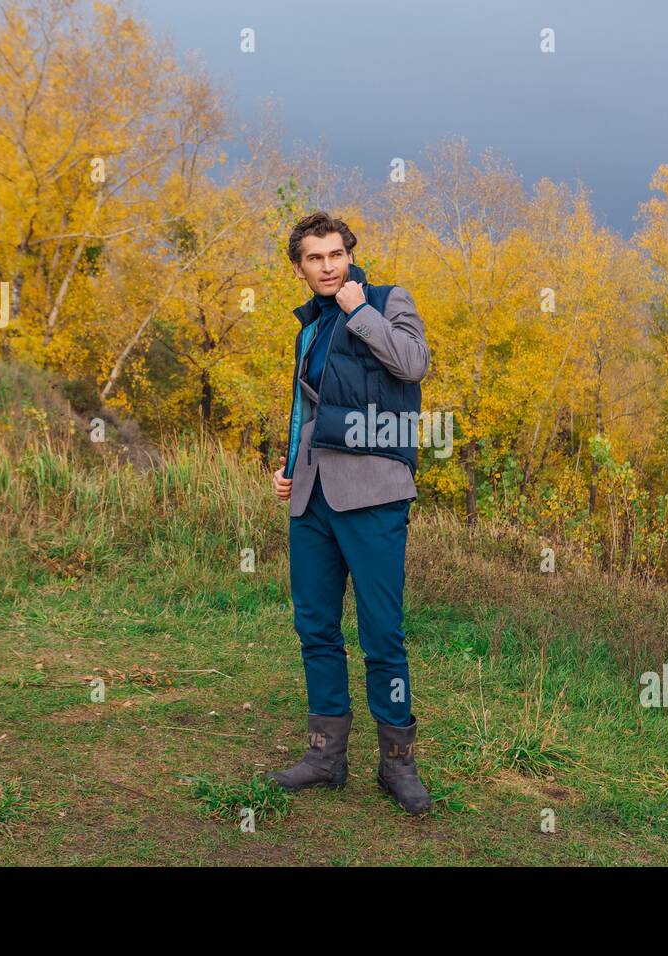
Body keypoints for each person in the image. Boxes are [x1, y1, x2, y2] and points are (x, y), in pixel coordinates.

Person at [267, 211, 433, 814]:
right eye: (315, 258)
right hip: (312, 497)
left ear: (350, 255)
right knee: (315, 627)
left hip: (374, 494)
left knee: (383, 634)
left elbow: (413, 365)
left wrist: (360, 313)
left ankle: (398, 765)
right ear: (299, 267)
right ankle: (324, 756)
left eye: (336, 254)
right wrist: (288, 466)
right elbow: (302, 409)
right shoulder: (306, 330)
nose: (328, 266)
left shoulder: (388, 301)